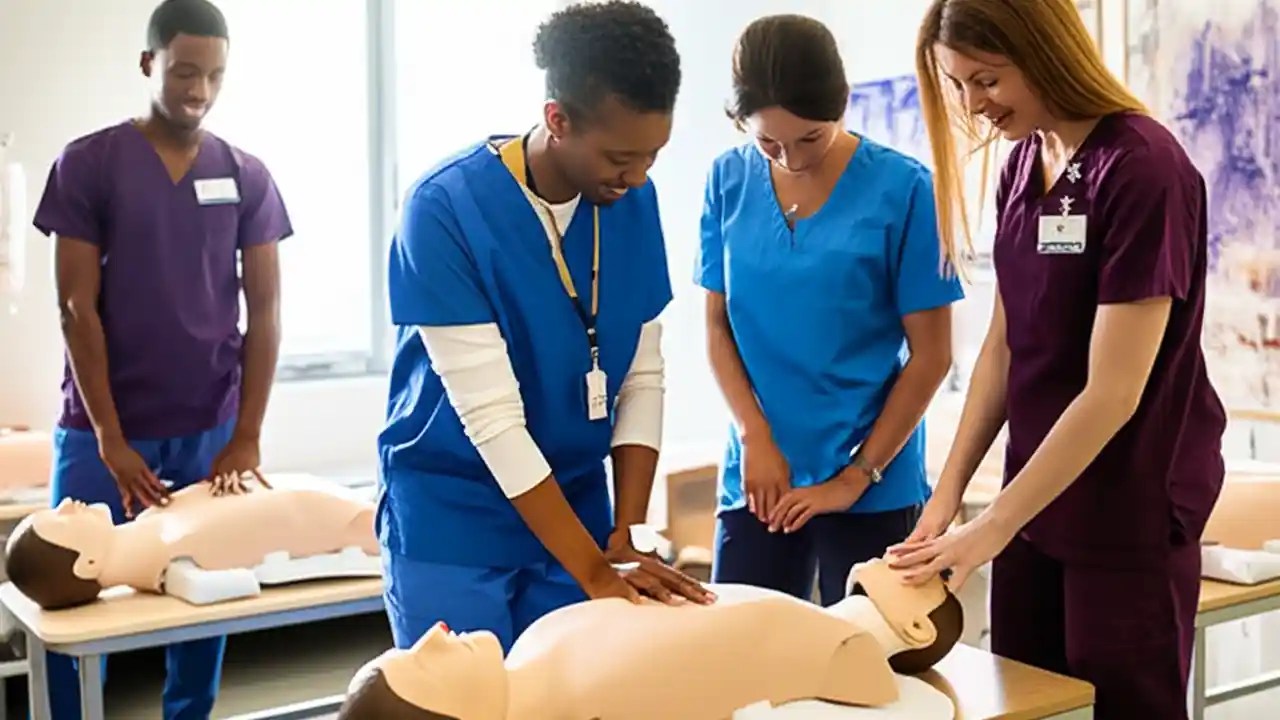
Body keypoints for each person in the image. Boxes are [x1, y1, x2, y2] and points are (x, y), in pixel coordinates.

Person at [888, 1, 1227, 718]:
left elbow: (1112, 391)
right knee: (1033, 703)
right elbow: (1005, 350)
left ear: (1045, 53)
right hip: (1034, 506)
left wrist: (991, 527)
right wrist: (949, 500)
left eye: (987, 81)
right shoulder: (1024, 166)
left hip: (1126, 510)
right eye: (957, 85)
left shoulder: (1143, 170)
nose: (973, 106)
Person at [379, 0, 714, 658]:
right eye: (621, 156)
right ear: (556, 119)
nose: (639, 177)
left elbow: (642, 374)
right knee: (467, 704)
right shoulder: (444, 210)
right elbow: (493, 420)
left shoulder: (630, 199)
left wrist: (626, 532)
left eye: (652, 156)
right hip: (456, 523)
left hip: (577, 513)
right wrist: (593, 571)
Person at [30, 0, 293, 716]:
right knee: (74, 600)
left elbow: (264, 311)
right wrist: (111, 439)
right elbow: (75, 308)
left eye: (213, 76)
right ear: (148, 64)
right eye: (183, 72)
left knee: (204, 595)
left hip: (210, 425)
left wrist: (246, 433)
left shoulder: (245, 173)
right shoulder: (89, 163)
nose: (198, 91)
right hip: (101, 430)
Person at [695, 14, 963, 606]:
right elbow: (717, 326)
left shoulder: (908, 190)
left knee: (875, 671)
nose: (789, 159)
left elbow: (932, 355)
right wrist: (755, 434)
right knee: (743, 666)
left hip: (872, 483)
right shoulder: (727, 179)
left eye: (809, 139)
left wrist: (854, 477)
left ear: (841, 106)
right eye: (768, 142)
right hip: (762, 480)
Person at [337, 558, 964, 720]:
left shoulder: (537, 644)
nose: (434, 635)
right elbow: (757, 637)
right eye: (421, 664)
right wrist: (837, 647)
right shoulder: (595, 699)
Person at [6, 476, 377, 611]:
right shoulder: (176, 545)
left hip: (340, 505)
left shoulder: (156, 526)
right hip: (353, 520)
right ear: (86, 564)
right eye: (59, 519)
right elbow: (290, 516)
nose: (67, 504)